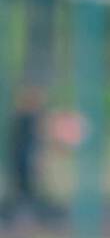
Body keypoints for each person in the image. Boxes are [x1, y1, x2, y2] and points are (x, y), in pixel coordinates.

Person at [0, 83, 66, 227]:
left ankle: (47, 215)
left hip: (23, 162)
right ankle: (47, 215)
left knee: (26, 192)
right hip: (21, 162)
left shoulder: (27, 118)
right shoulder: (25, 118)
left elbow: (36, 141)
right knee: (24, 192)